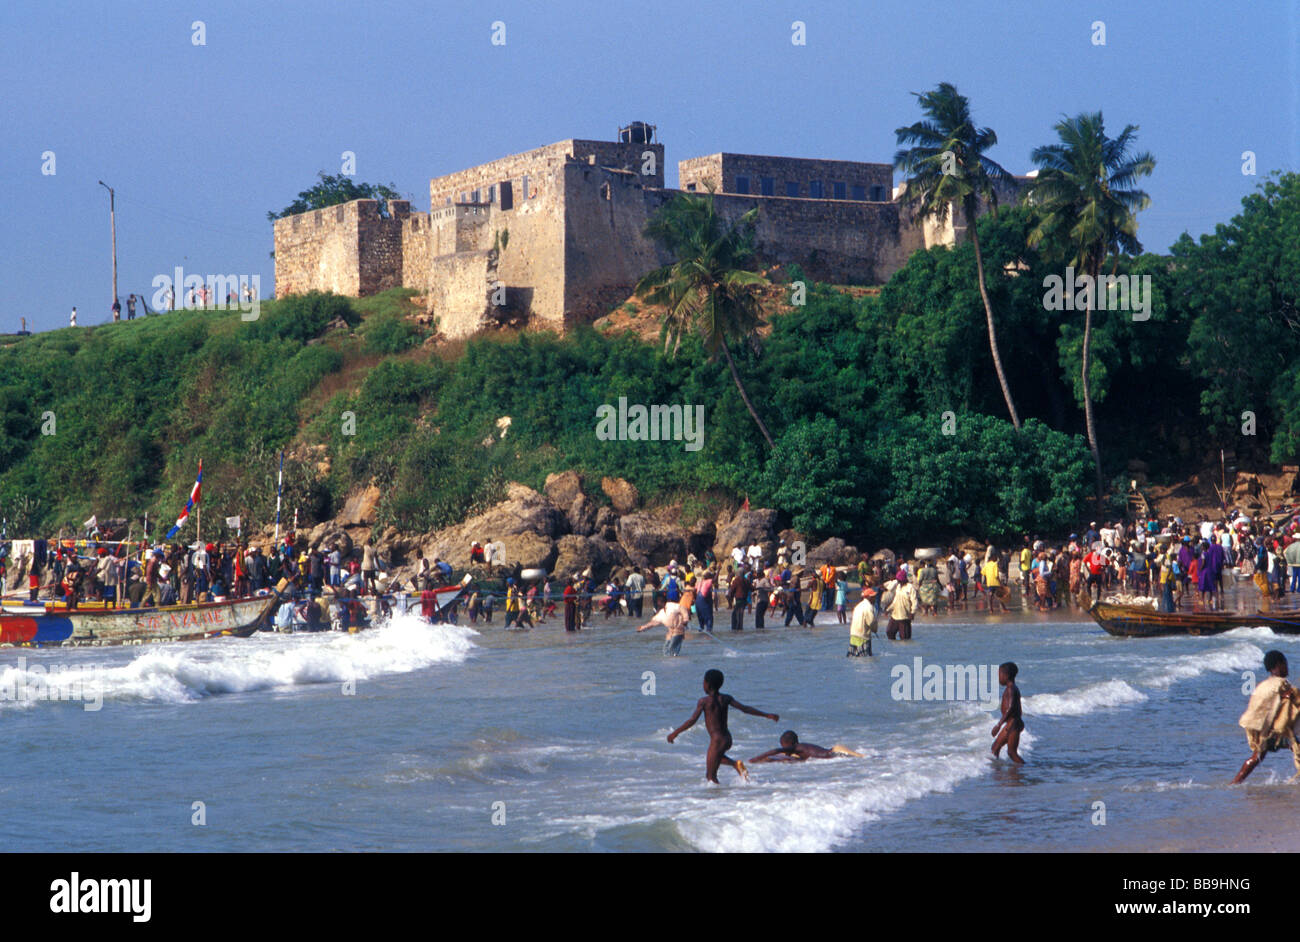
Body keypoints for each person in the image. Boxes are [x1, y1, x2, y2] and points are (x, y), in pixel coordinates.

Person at [667, 669, 779, 784]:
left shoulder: (704, 701)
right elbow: (745, 709)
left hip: (717, 740)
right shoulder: (726, 698)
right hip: (727, 738)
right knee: (716, 758)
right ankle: (735, 764)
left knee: (710, 776)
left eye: (703, 682)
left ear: (707, 684)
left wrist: (675, 733)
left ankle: (718, 793)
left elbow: (692, 720)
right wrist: (766, 715)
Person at [1232, 650, 1300, 783]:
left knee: (1257, 757)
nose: (1287, 668)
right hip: (1275, 730)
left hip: (1263, 728)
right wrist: (1289, 696)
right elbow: (1289, 700)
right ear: (1279, 665)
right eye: (1285, 664)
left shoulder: (1263, 686)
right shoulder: (1280, 684)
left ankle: (1235, 783)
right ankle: (1235, 783)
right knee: (1293, 746)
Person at [637, 589, 694, 657]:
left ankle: (675, 661)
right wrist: (642, 628)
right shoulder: (661, 613)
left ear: (661, 602)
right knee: (665, 649)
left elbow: (683, 608)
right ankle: (670, 661)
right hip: (670, 631)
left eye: (658, 602)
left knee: (671, 648)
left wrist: (685, 619)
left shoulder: (672, 606)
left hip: (679, 630)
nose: (657, 604)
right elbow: (652, 623)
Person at [749, 731, 864, 762]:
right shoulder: (801, 748)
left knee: (862, 757)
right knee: (863, 757)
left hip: (834, 752)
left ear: (789, 744)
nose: (783, 748)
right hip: (835, 750)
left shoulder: (795, 748)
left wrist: (756, 758)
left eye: (783, 745)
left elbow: (776, 750)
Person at [991, 662, 1024, 764]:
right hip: (1011, 723)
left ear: (1006, 675)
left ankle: (1026, 769)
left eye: (999, 675)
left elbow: (1011, 707)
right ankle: (996, 770)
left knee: (1011, 752)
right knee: (995, 748)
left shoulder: (1010, 689)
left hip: (1013, 724)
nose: (998, 678)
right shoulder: (1011, 688)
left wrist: (998, 725)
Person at [847, 588, 877, 656]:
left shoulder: (858, 606)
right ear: (869, 597)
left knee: (853, 656)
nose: (875, 599)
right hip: (863, 636)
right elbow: (871, 622)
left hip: (853, 635)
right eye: (873, 597)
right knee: (865, 657)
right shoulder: (869, 607)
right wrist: (875, 630)